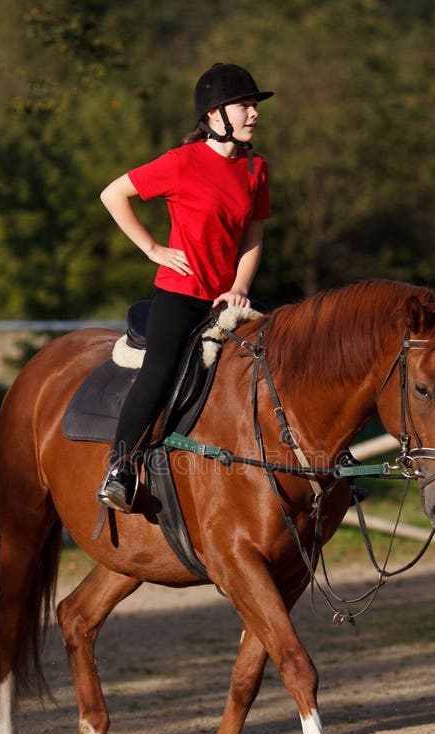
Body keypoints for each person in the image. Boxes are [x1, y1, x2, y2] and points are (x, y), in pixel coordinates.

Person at [96, 63, 274, 512]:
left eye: (255, 106)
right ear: (215, 115)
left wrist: (238, 288)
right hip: (179, 294)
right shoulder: (181, 162)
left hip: (227, 299)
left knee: (283, 356)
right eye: (245, 106)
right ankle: (119, 468)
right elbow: (112, 194)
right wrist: (153, 248)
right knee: (159, 371)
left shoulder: (257, 168)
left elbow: (253, 237)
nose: (254, 114)